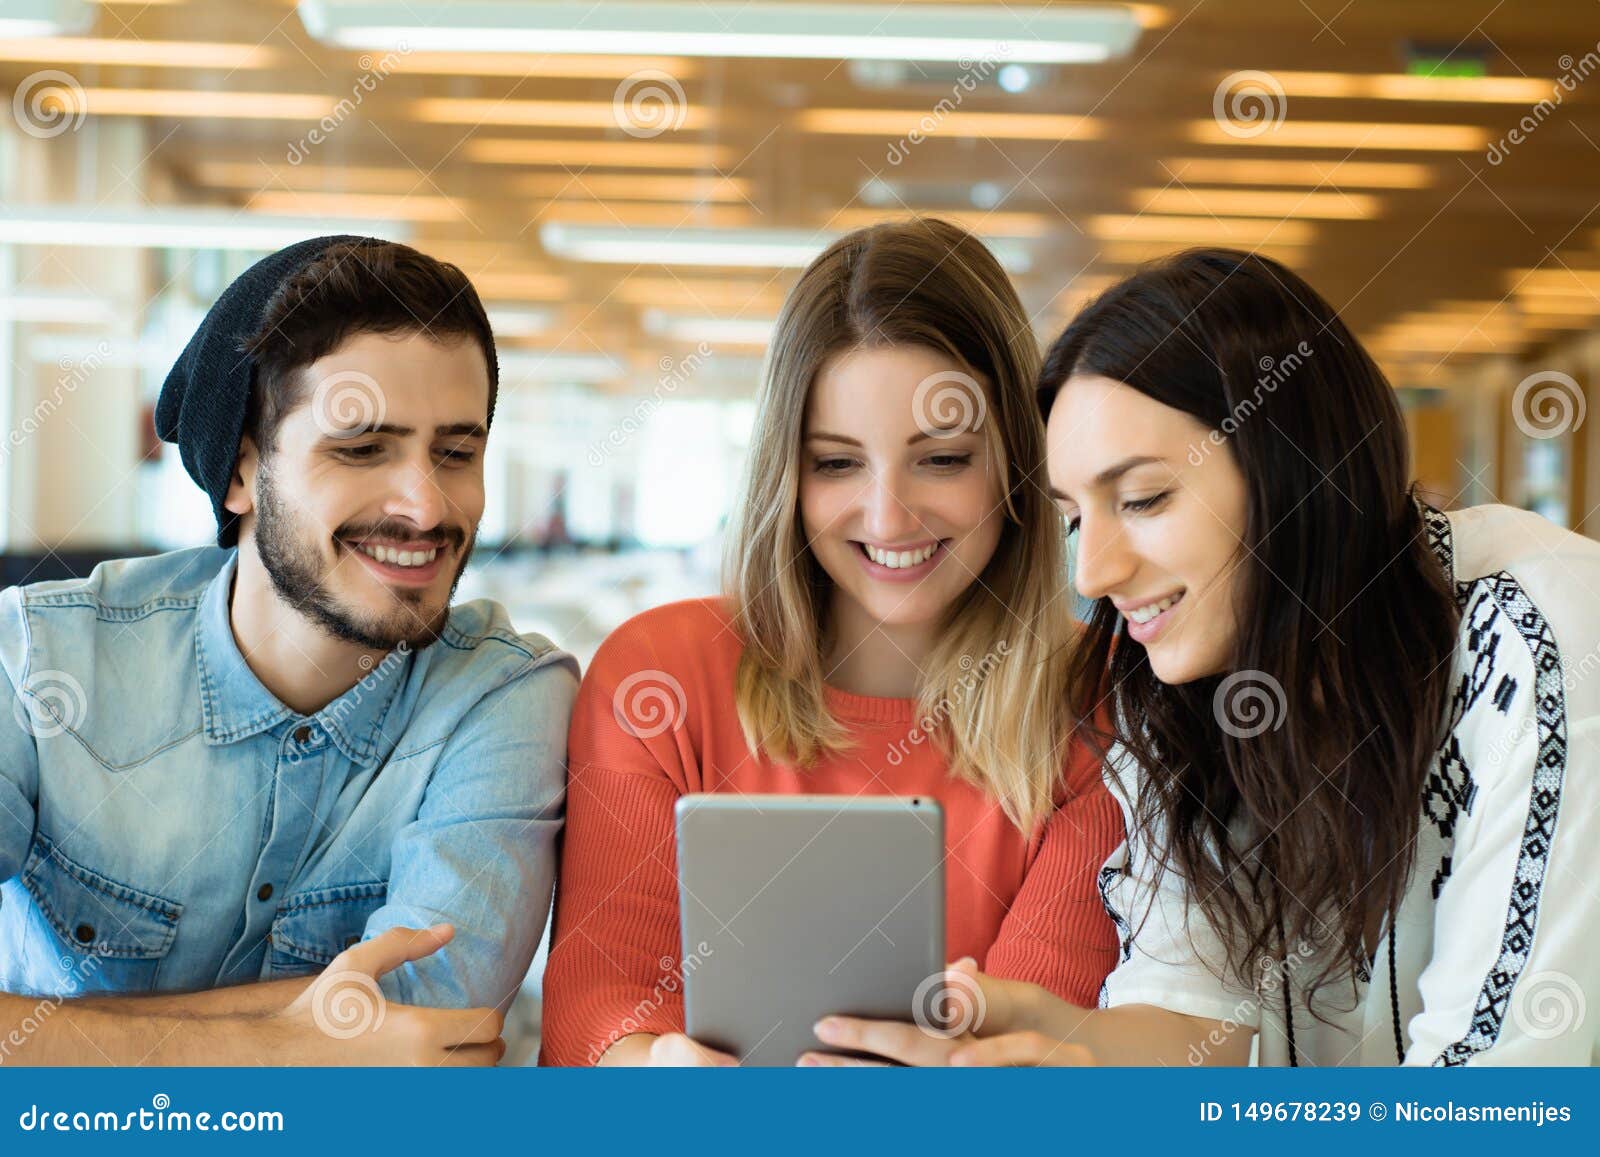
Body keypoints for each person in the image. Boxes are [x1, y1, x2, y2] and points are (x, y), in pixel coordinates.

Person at [807, 248, 1600, 1066]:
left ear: (1295, 467)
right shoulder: (1188, 685)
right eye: (1076, 518)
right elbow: (1191, 1020)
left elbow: (1491, 1109)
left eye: (1143, 498)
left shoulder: (1543, 636)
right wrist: (1066, 1050)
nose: (1094, 573)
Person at [538, 218, 1121, 1067]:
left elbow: (1025, 1050)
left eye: (943, 460)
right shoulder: (658, 676)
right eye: (837, 463)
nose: (889, 517)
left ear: (1016, 468)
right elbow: (596, 1011)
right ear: (784, 473)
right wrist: (652, 1067)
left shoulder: (1099, 696)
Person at [0, 237, 577, 1065]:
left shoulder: (501, 693)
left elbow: (438, 1028)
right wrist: (278, 1047)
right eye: (361, 448)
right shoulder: (39, 661)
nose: (424, 507)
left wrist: (58, 1040)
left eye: (456, 453)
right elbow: (374, 1048)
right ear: (241, 472)